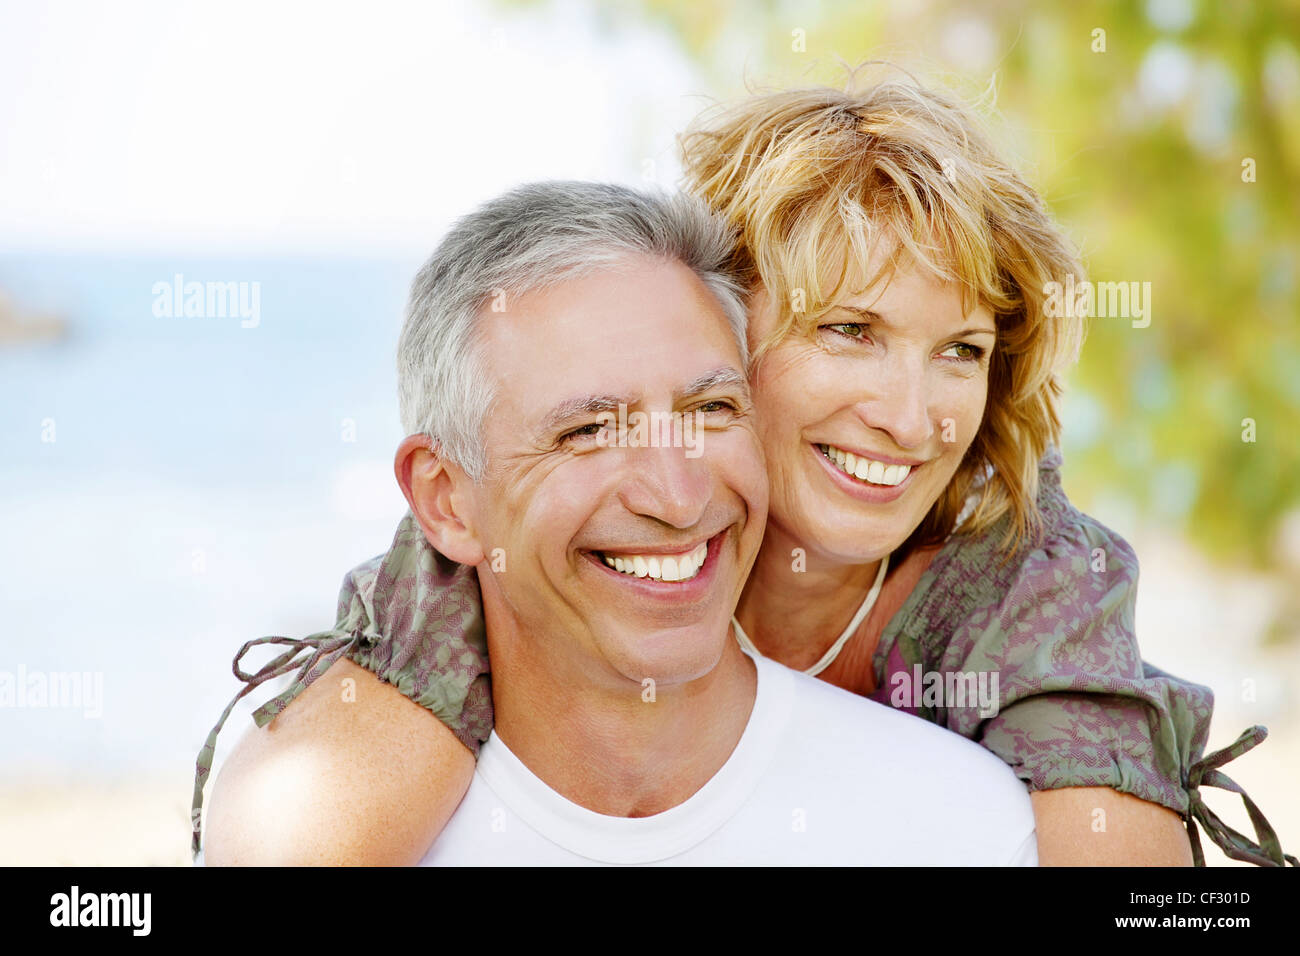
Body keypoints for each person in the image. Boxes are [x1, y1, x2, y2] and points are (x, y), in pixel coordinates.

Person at [192, 74, 1294, 867]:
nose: (910, 417)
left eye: (960, 351)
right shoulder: (509, 543)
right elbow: (297, 825)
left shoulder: (1024, 581)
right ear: (717, 324)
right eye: (849, 330)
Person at [198, 181, 1038, 865]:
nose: (676, 499)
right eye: (589, 431)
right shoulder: (325, 820)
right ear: (448, 501)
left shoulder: (961, 827)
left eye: (711, 409)